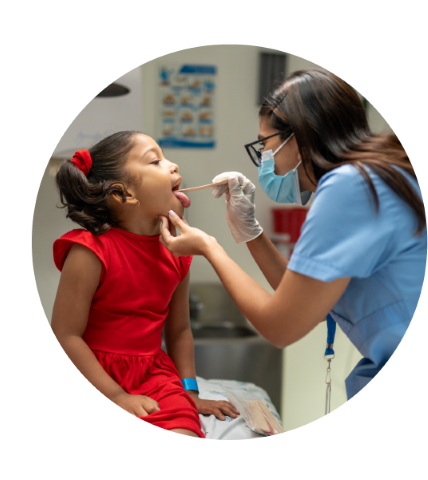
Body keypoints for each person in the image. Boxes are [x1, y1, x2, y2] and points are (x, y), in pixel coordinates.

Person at [159, 69, 428, 402]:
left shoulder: (349, 188)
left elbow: (280, 327)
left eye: (266, 143)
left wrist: (209, 247)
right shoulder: (374, 175)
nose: (265, 158)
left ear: (300, 137)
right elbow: (299, 295)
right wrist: (250, 231)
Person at [50, 131, 240, 439]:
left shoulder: (178, 252)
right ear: (122, 194)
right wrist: (116, 396)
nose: (174, 166)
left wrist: (190, 392)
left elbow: (178, 331)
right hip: (91, 372)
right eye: (156, 160)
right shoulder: (89, 251)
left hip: (155, 375)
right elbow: (66, 335)